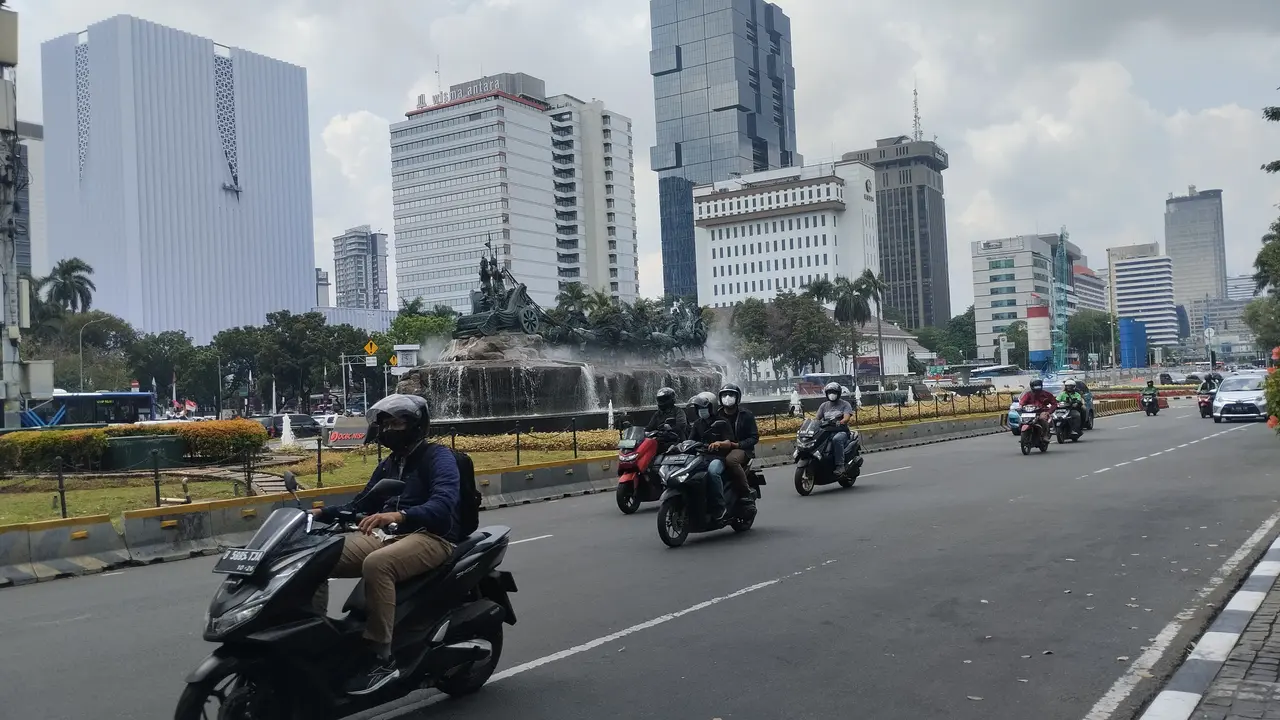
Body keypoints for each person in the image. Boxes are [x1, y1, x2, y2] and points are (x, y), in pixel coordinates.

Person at [312, 394, 462, 696]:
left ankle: (381, 656)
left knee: (377, 565)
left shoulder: (438, 457)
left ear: (415, 425)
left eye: (395, 423)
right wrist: (319, 513)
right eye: (385, 424)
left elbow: (443, 505)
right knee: (314, 556)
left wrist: (399, 515)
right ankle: (311, 641)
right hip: (389, 534)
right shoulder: (390, 463)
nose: (388, 430)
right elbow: (362, 503)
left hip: (431, 536)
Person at [710, 383, 759, 508]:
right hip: (720, 448)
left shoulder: (746, 415)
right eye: (725, 395)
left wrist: (738, 444)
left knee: (731, 460)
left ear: (737, 397)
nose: (727, 397)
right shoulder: (716, 415)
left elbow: (754, 437)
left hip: (741, 449)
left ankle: (745, 492)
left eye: (731, 395)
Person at [688, 393, 729, 520]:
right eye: (699, 408)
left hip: (718, 458)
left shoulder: (722, 422)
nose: (702, 411)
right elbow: (690, 441)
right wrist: (679, 446)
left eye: (704, 408)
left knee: (713, 472)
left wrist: (719, 443)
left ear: (712, 407)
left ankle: (719, 506)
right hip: (701, 457)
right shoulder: (697, 424)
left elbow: (729, 442)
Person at [634, 387, 688, 472]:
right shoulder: (658, 414)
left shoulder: (678, 411)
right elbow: (649, 427)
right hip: (660, 441)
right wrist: (638, 431)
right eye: (660, 400)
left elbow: (681, 425)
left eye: (664, 400)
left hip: (676, 441)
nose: (661, 403)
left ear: (671, 400)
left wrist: (670, 427)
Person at [815, 381, 855, 477]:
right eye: (829, 392)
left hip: (841, 431)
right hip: (826, 431)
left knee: (836, 439)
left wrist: (841, 421)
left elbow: (846, 417)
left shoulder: (845, 404)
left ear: (839, 393)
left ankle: (840, 466)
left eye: (834, 392)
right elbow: (817, 419)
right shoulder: (823, 406)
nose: (831, 395)